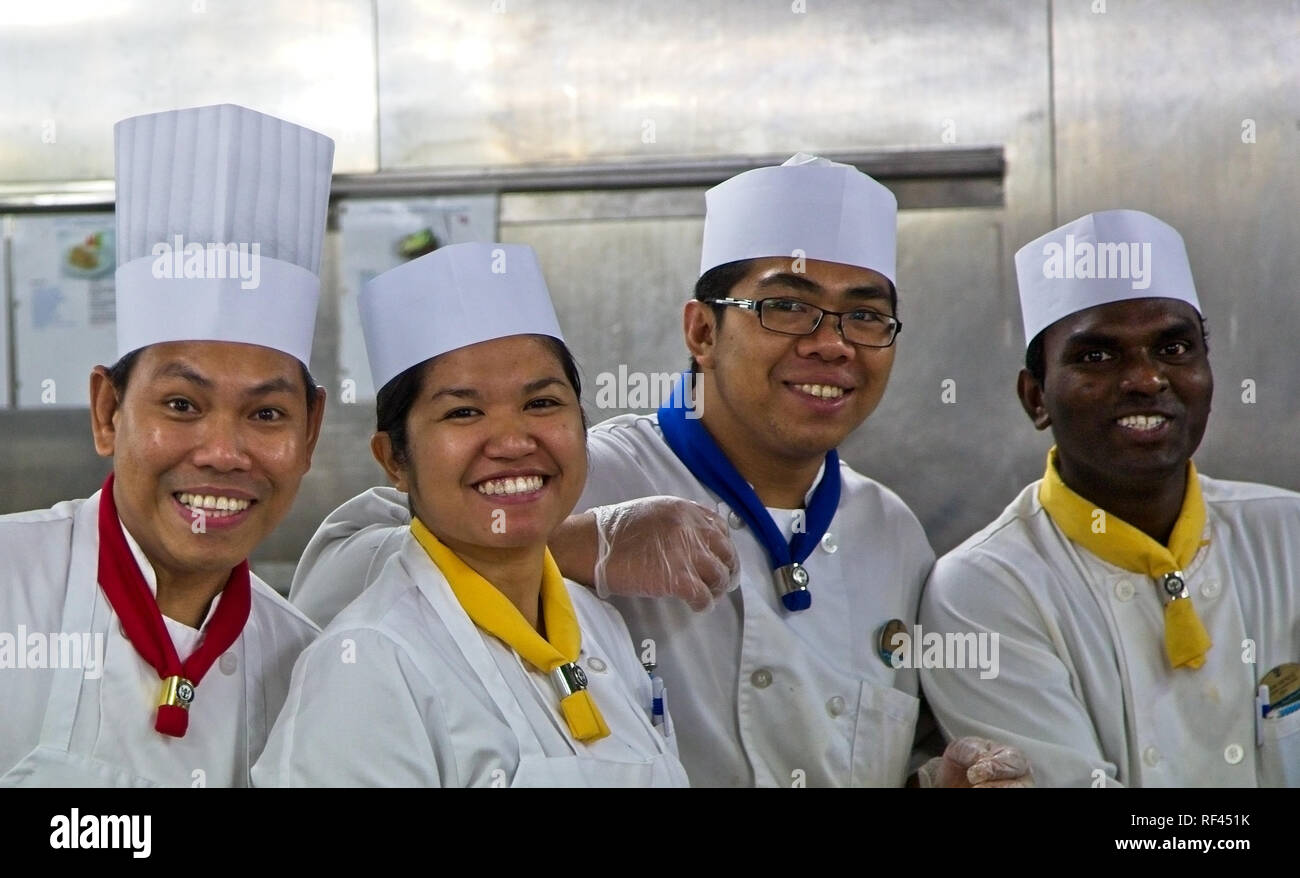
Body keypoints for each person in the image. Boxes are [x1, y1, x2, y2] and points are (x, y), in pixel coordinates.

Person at [288, 155, 1030, 788]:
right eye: (787, 307)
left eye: (863, 316)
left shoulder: (889, 533)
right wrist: (583, 544)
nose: (831, 345)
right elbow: (333, 596)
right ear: (702, 331)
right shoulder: (571, 475)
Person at [253, 243, 688, 787]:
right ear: (394, 460)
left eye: (542, 403)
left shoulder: (600, 625)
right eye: (464, 412)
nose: (512, 441)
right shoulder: (369, 667)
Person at [0, 104, 330, 787]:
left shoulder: (311, 669)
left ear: (310, 436)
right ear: (107, 411)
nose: (222, 452)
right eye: (182, 405)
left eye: (266, 413)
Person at [920, 209, 1300, 787]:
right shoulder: (982, 589)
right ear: (1036, 398)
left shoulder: (1288, 534)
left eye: (1174, 348)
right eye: (1097, 355)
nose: (1146, 379)